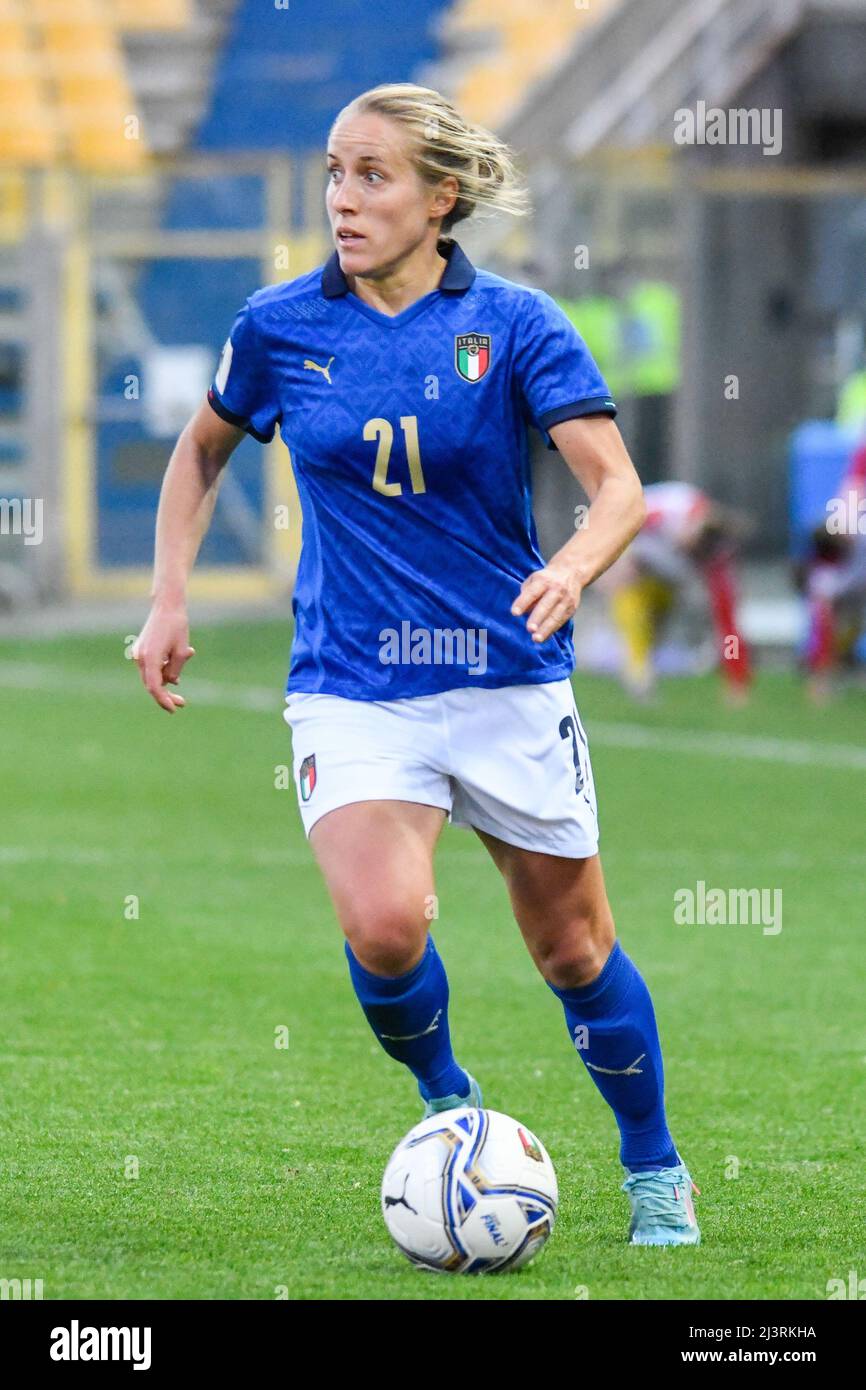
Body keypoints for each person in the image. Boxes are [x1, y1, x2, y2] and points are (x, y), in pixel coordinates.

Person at [132, 83, 700, 1246]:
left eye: (372, 176)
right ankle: (449, 1100)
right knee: (386, 925)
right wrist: (166, 595)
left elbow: (617, 487)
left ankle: (654, 1166)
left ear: (441, 198)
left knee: (572, 949)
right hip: (351, 681)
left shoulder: (517, 324)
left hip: (505, 675)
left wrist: (576, 567)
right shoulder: (279, 325)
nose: (343, 198)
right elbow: (198, 455)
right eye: (334, 172)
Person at [604, 481, 752, 703]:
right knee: (635, 620)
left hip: (666, 576)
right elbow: (622, 521)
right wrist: (613, 564)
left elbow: (727, 623)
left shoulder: (715, 554)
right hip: (640, 565)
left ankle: (736, 680)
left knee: (662, 626)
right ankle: (638, 675)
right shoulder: (668, 510)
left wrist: (736, 677)